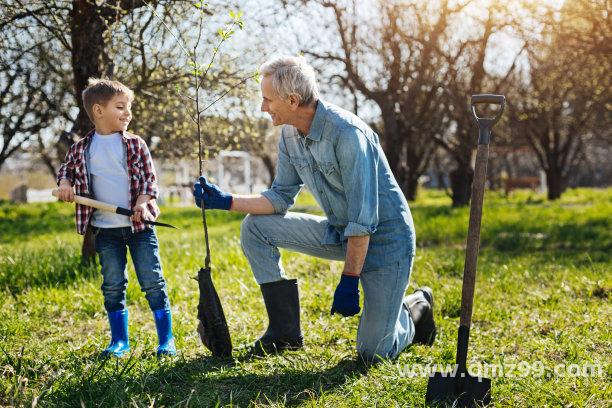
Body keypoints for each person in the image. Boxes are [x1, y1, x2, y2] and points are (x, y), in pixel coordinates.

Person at [194, 56, 436, 362]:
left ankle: (415, 307)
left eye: (267, 100)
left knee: (373, 353)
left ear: (292, 100)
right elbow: (280, 196)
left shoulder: (348, 135)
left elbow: (364, 221)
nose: (263, 108)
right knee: (255, 226)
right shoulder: (290, 135)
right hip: (340, 232)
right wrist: (225, 201)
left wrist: (349, 279)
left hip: (386, 242)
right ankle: (283, 332)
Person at [56, 78, 176, 357]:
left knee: (152, 281)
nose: (128, 113)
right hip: (105, 230)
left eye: (129, 107)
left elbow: (149, 180)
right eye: (120, 107)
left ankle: (166, 339)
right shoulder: (81, 149)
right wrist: (65, 185)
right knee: (112, 285)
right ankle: (120, 342)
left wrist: (143, 204)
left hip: (139, 229)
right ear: (98, 111)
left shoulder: (135, 144)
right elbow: (66, 171)